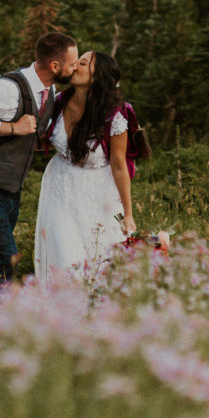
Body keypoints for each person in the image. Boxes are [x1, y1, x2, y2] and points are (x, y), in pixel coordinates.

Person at [0, 29, 78, 303]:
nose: (75, 68)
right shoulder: (9, 89)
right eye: (72, 64)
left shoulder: (49, 91)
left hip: (9, 191)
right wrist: (13, 128)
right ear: (54, 66)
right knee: (5, 259)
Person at [34, 49, 136, 282]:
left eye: (82, 63)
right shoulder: (58, 102)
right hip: (59, 189)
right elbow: (40, 138)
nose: (74, 65)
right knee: (65, 258)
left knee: (101, 260)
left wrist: (128, 214)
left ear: (97, 76)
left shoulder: (114, 114)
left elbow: (119, 165)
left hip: (99, 195)